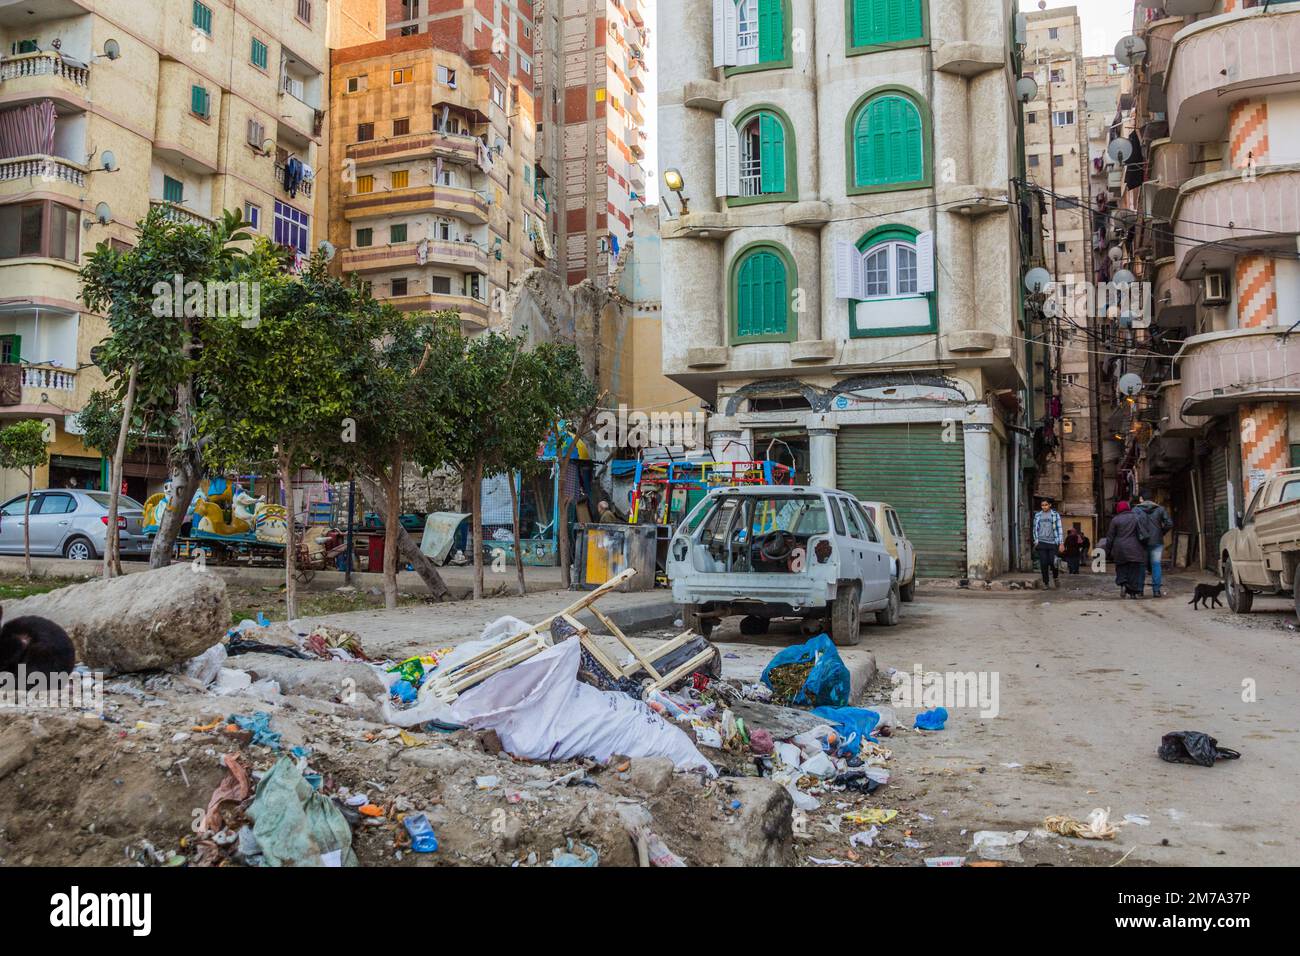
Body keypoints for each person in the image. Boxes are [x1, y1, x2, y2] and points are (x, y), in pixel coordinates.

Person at [1105, 501, 1153, 598]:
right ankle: (1132, 593)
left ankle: (1123, 584)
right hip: (1134, 548)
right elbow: (1143, 533)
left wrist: (1108, 550)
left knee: (1121, 568)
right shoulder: (1136, 517)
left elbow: (1110, 537)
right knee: (1134, 570)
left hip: (1120, 549)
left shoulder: (1115, 520)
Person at [1134, 493, 1173, 597]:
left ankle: (1140, 590)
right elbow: (1169, 523)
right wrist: (1161, 532)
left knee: (1141, 566)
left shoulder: (1136, 510)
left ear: (1141, 498)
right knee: (1156, 565)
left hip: (1142, 542)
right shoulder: (1160, 509)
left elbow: (1133, 525)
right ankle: (1156, 591)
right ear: (1152, 498)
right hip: (1157, 541)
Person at [1032, 498, 1064, 588]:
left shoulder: (1055, 515)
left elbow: (1059, 528)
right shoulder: (1038, 515)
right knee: (1043, 563)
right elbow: (1035, 529)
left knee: (1053, 562)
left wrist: (1061, 543)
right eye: (1042, 505)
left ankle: (1055, 577)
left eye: (1046, 505)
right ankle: (1046, 583)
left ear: (1050, 505)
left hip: (1053, 542)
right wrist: (1036, 540)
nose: (1044, 507)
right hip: (1041, 542)